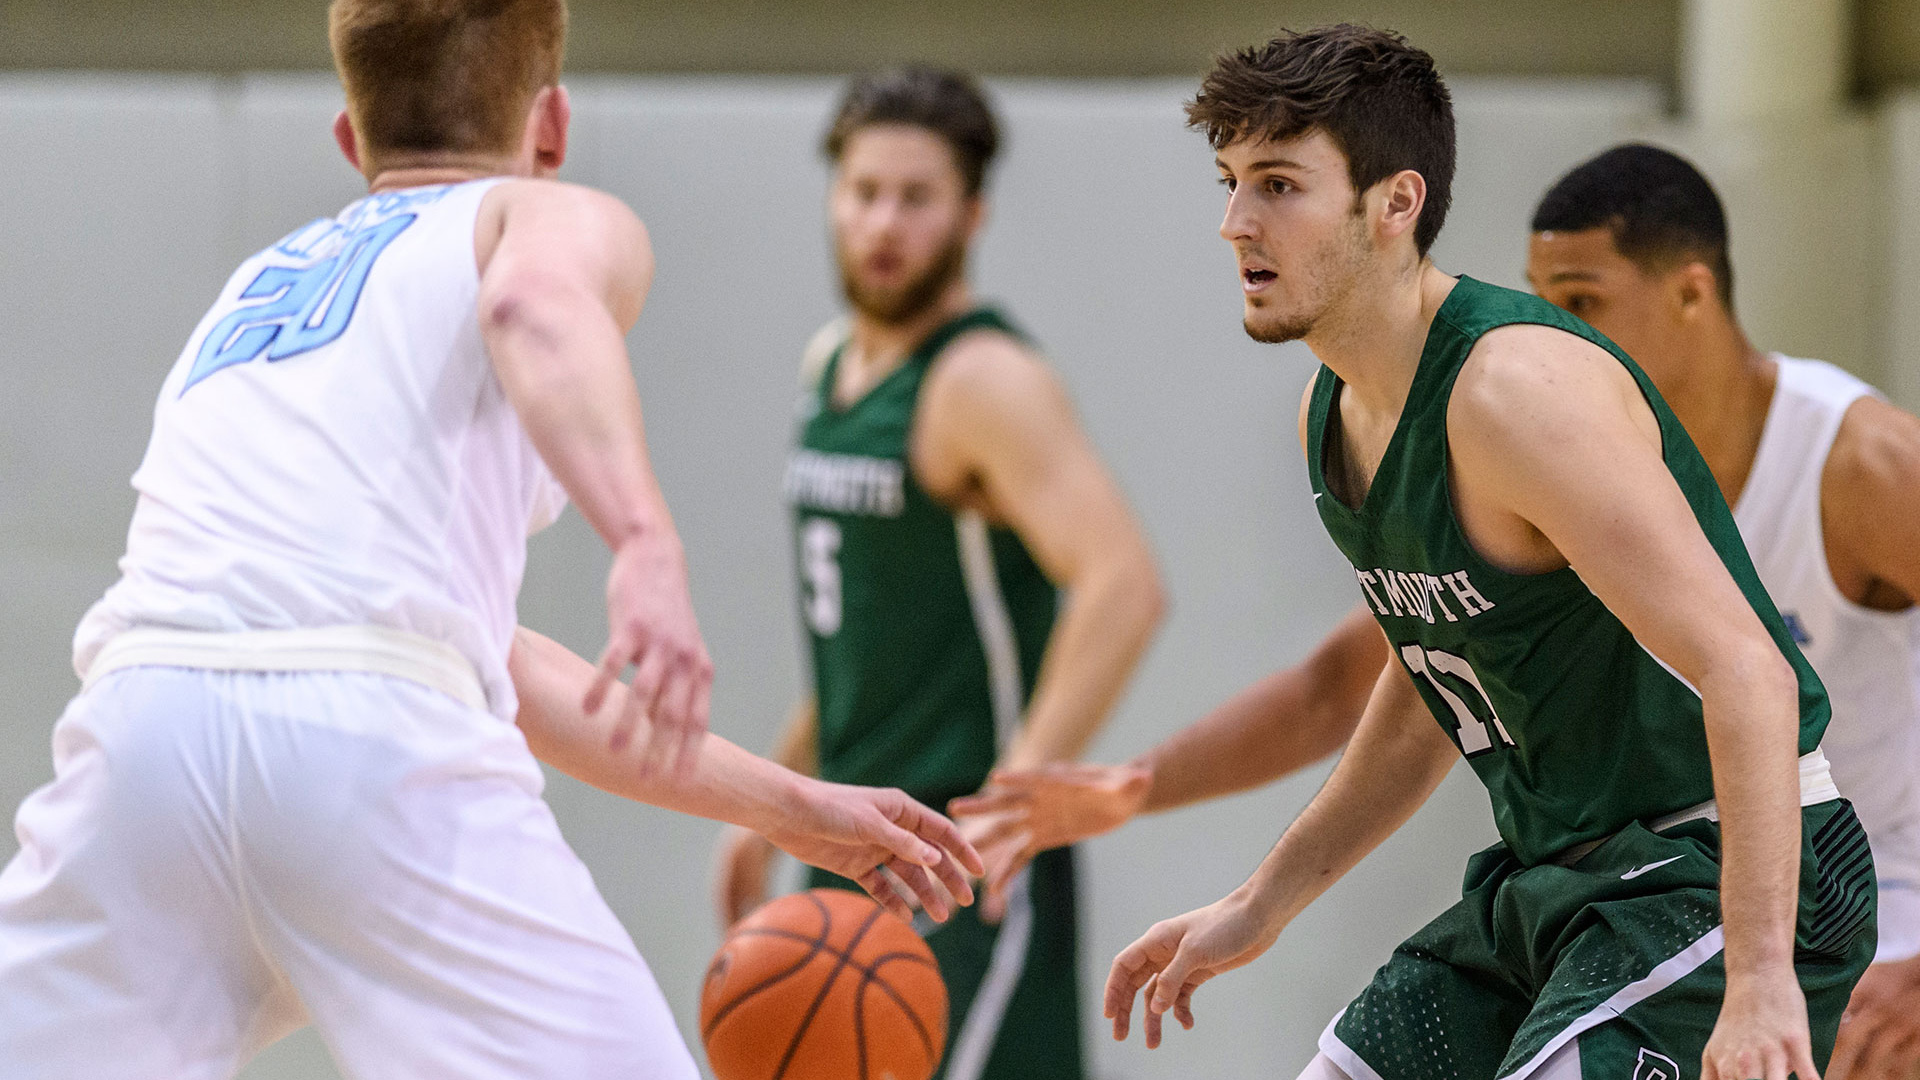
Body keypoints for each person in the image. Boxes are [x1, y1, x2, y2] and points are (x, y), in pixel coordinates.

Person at [0, 3, 981, 1077]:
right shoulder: (539, 216)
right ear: (551, 128)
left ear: (350, 138)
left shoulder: (253, 292)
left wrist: (790, 806)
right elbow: (529, 306)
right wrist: (645, 544)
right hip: (368, 750)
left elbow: (478, 659)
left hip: (135, 746)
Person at [960, 143, 1920, 1078]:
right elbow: (1393, 680)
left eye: (1279, 185)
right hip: (1574, 876)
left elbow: (1751, 674)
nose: (1234, 224)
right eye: (1231, 183)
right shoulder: (1418, 418)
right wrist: (1243, 884)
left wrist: (1763, 975)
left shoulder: (1852, 463)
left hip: (1780, 877)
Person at [711, 68, 1165, 1080]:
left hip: (954, 861)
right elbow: (860, 641)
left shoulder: (982, 380)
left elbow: (1123, 585)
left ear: (972, 213)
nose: (884, 223)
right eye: (864, 191)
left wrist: (1014, 802)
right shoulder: (830, 366)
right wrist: (775, 798)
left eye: (916, 199)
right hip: (843, 834)